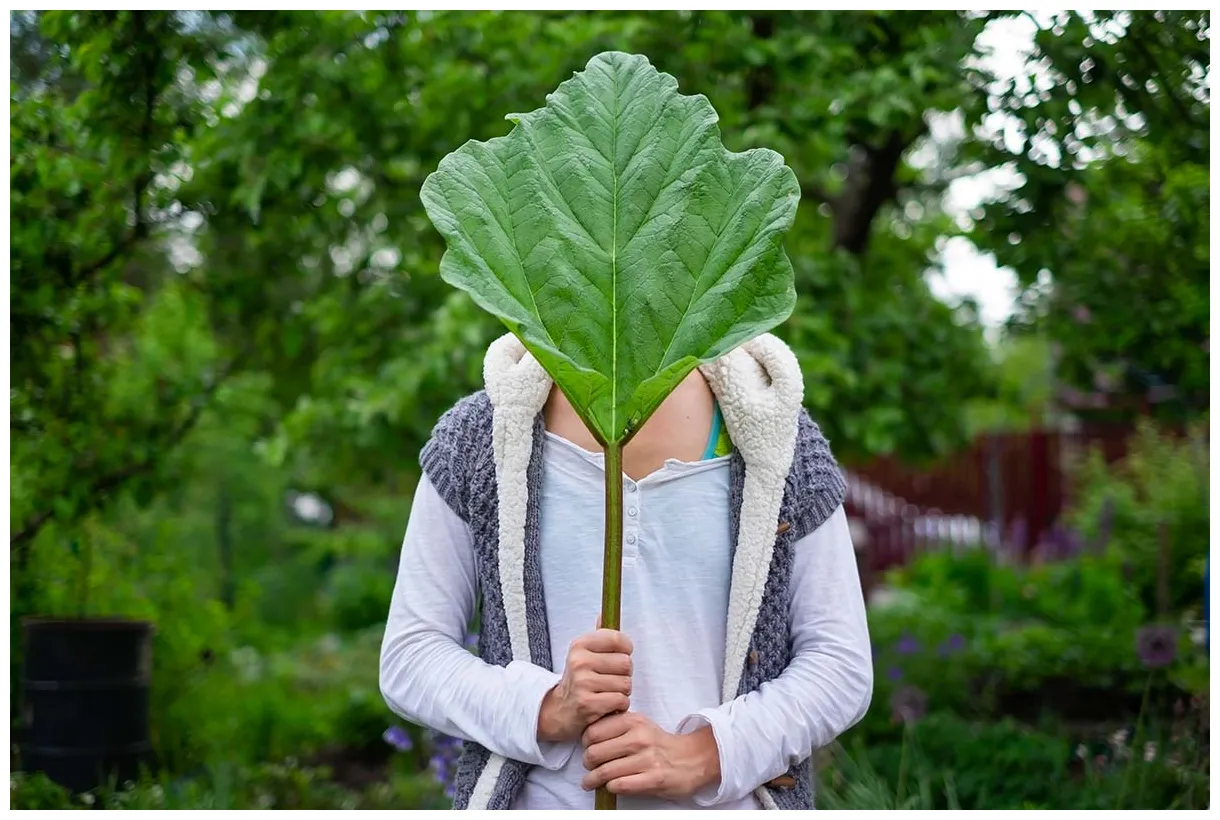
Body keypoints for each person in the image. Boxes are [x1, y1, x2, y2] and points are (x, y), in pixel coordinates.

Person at [380, 332, 873, 810]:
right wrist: (547, 708)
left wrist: (708, 755)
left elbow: (840, 667)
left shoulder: (776, 437)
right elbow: (411, 656)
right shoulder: (480, 439)